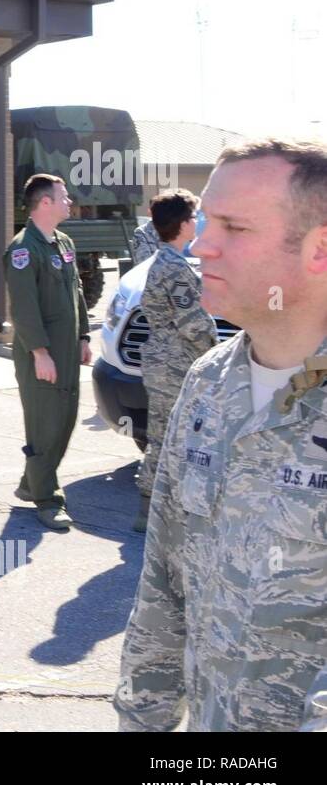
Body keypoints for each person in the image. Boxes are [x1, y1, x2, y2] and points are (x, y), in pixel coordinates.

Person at [117, 137, 327, 731]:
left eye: (233, 228)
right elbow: (162, 583)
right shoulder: (209, 381)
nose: (203, 243)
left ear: (320, 248)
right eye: (206, 220)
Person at [4, 174, 92, 531]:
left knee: (65, 421)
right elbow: (24, 308)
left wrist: (84, 336)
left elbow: (78, 291)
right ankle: (47, 500)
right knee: (45, 426)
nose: (69, 201)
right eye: (63, 196)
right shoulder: (24, 249)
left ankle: (31, 484)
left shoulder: (63, 242)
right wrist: (40, 353)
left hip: (68, 350)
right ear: (44, 203)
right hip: (42, 355)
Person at [133, 189, 216, 532]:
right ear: (182, 225)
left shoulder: (168, 261)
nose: (197, 222)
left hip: (167, 361)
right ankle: (150, 510)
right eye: (194, 217)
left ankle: (156, 506)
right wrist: (218, 349)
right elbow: (193, 323)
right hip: (174, 364)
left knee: (165, 435)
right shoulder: (175, 268)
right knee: (167, 437)